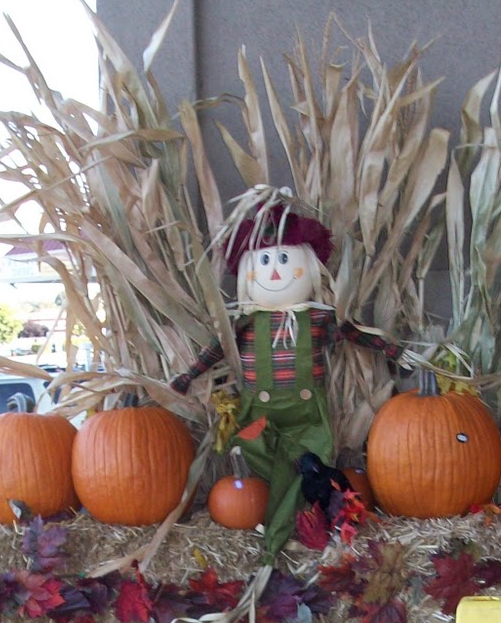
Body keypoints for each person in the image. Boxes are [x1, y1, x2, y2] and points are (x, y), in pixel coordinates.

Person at [172, 204, 403, 556]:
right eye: (265, 261)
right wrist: (189, 376)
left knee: (299, 467)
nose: (275, 271)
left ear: (308, 267)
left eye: (284, 259)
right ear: (248, 272)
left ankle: (276, 537)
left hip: (308, 417)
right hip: (258, 417)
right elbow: (217, 350)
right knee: (273, 464)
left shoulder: (319, 319)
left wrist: (389, 348)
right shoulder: (243, 323)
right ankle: (286, 525)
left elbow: (352, 332)